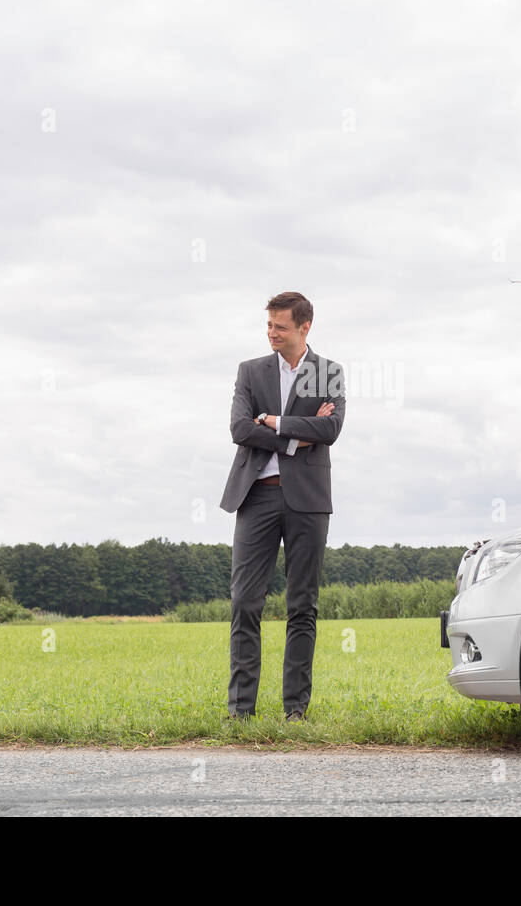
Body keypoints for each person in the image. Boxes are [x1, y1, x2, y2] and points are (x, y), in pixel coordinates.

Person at [219, 291, 345, 721]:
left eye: (281, 326)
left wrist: (272, 421)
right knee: (245, 602)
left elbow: (330, 428)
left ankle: (296, 711)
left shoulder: (328, 372)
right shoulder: (250, 372)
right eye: (269, 325)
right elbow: (239, 428)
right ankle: (240, 711)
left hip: (308, 500)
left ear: (304, 326)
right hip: (256, 495)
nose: (272, 332)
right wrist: (297, 436)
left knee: (302, 605)